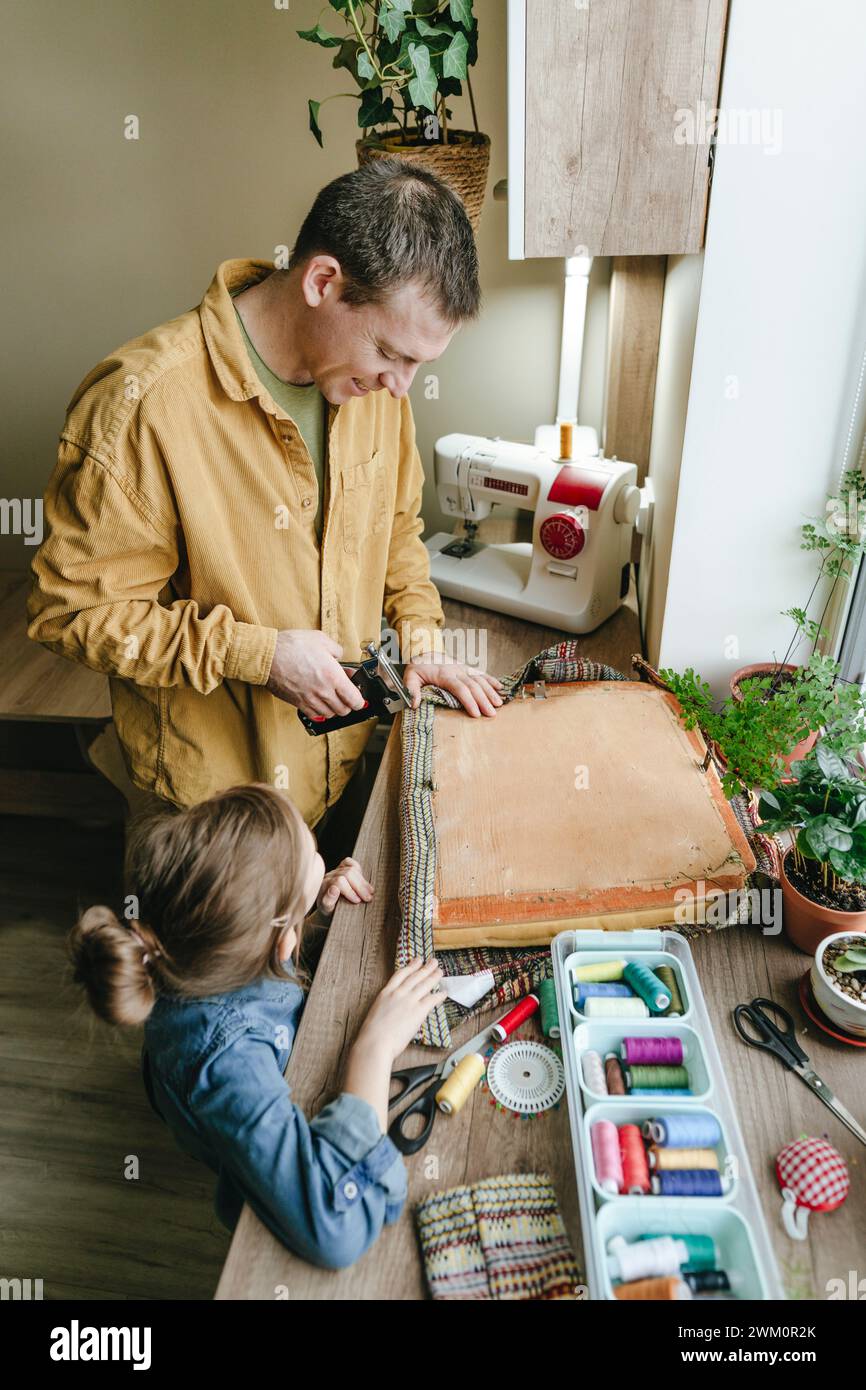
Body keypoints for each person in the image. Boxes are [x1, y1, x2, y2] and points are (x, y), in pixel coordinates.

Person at [27, 158, 504, 827]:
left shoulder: (375, 391)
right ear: (323, 281)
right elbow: (70, 613)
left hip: (341, 773)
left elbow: (396, 533)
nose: (403, 385)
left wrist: (421, 647)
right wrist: (260, 655)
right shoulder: (144, 404)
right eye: (394, 355)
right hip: (212, 823)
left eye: (420, 365)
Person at [68, 782, 444, 1269]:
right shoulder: (227, 1065)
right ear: (278, 942)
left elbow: (266, 971)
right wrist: (373, 1051)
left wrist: (314, 914)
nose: (319, 851)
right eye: (313, 852)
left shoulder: (195, 939)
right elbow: (333, 1232)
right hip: (256, 1172)